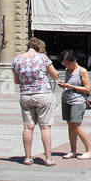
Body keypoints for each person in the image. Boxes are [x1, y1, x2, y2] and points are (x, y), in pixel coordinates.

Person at [12, 38, 60, 166]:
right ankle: (48, 158)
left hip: (25, 95)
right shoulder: (43, 58)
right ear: (40, 47)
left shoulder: (16, 59)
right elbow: (55, 74)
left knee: (28, 127)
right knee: (45, 127)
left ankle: (28, 157)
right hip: (43, 94)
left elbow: (17, 81)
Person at [55, 50, 91, 159]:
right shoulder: (67, 70)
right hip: (67, 100)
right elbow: (69, 84)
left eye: (66, 62)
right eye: (63, 63)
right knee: (70, 126)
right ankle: (73, 150)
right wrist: (63, 85)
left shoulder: (82, 71)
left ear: (74, 61)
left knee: (77, 127)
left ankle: (89, 150)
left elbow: (87, 89)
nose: (64, 64)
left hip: (78, 101)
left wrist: (71, 86)